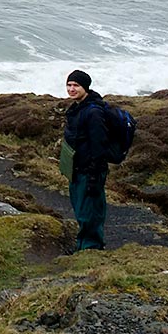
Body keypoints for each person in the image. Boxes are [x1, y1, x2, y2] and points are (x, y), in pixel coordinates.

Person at [62, 69, 109, 251]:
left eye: (76, 85)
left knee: (90, 210)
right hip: (77, 168)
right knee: (81, 208)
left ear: (85, 87)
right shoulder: (77, 108)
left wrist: (94, 175)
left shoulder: (94, 112)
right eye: (69, 85)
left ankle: (91, 248)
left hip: (90, 170)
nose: (71, 89)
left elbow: (99, 145)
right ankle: (83, 245)